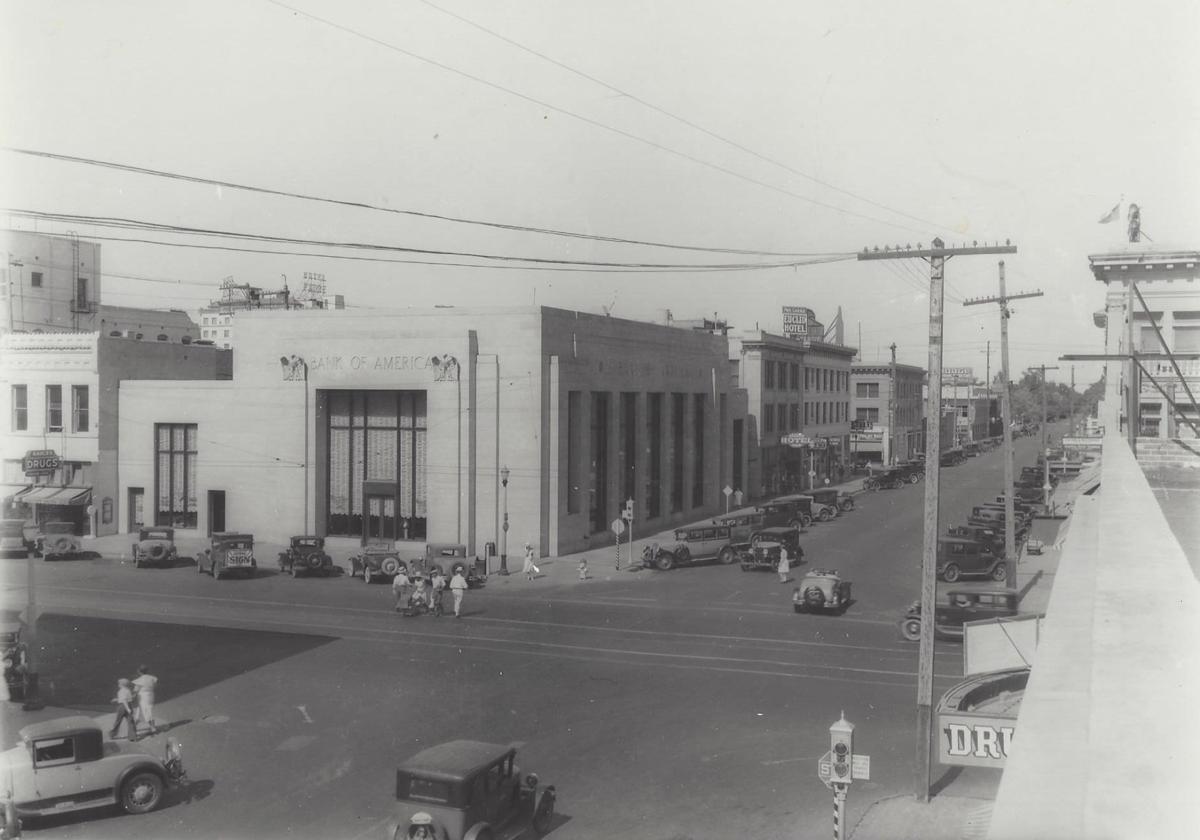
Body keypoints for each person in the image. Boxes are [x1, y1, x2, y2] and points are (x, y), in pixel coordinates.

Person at [132, 664, 158, 736]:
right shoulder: (152, 678)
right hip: (151, 695)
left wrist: (132, 696)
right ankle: (135, 725)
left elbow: (135, 690)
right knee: (145, 710)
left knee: (145, 711)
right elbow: (155, 686)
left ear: (139, 672)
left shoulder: (139, 680)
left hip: (143, 697)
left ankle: (153, 728)